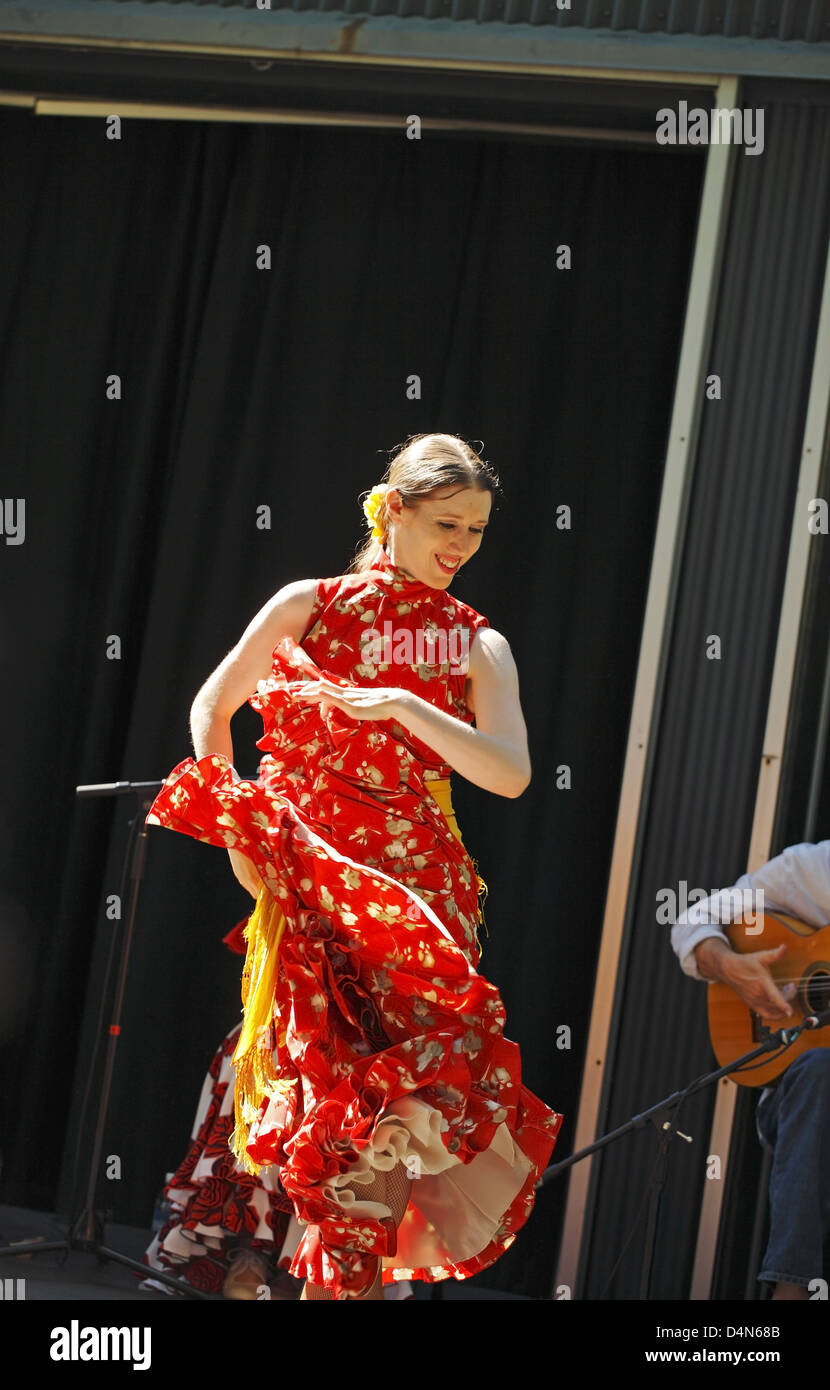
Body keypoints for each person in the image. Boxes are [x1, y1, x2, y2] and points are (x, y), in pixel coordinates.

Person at [146, 433, 562, 1300]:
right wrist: (240, 840)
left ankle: (347, 1284)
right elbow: (214, 708)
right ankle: (254, 1259)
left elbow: (511, 773)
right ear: (393, 510)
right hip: (309, 888)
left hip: (413, 900)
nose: (461, 546)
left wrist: (407, 704)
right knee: (292, 1072)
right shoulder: (311, 604)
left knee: (392, 1106)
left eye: (478, 530)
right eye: (447, 523)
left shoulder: (476, 644)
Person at [672, 842, 830, 1300]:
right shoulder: (814, 869)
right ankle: (791, 1289)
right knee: (821, 1069)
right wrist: (731, 965)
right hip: (809, 1106)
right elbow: (695, 919)